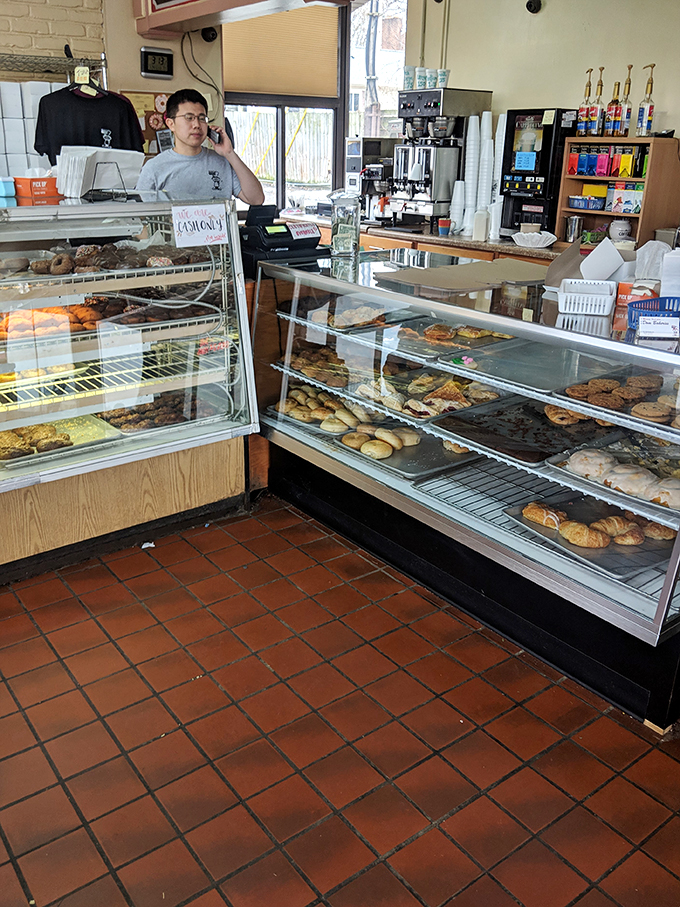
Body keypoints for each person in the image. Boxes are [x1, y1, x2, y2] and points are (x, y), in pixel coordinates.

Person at [136, 88, 264, 204]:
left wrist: (229, 153)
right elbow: (142, 216)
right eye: (189, 118)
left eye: (202, 118)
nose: (197, 124)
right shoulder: (154, 168)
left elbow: (256, 199)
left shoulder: (222, 162)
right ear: (171, 124)